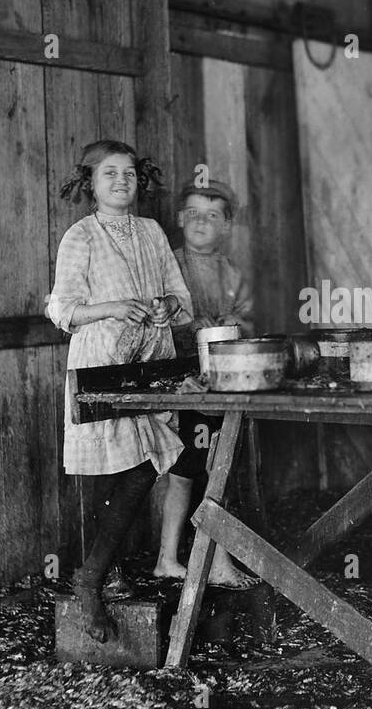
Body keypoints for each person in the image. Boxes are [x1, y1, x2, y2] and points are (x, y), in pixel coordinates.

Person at [45, 140, 193, 643]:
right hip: (103, 366)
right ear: (90, 183)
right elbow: (62, 310)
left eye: (130, 173)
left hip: (151, 364)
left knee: (143, 466)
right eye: (109, 174)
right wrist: (110, 308)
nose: (121, 182)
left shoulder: (152, 232)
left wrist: (166, 307)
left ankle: (100, 571)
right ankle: (92, 578)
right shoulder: (80, 236)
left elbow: (182, 296)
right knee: (134, 467)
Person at [156, 180, 258, 587]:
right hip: (182, 385)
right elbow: (159, 317)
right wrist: (189, 327)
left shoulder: (232, 272)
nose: (201, 221)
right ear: (180, 218)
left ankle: (215, 560)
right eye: (194, 213)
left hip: (220, 387)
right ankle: (167, 557)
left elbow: (248, 318)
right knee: (183, 472)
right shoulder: (169, 266)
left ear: (227, 226)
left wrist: (232, 325)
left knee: (220, 468)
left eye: (213, 215)